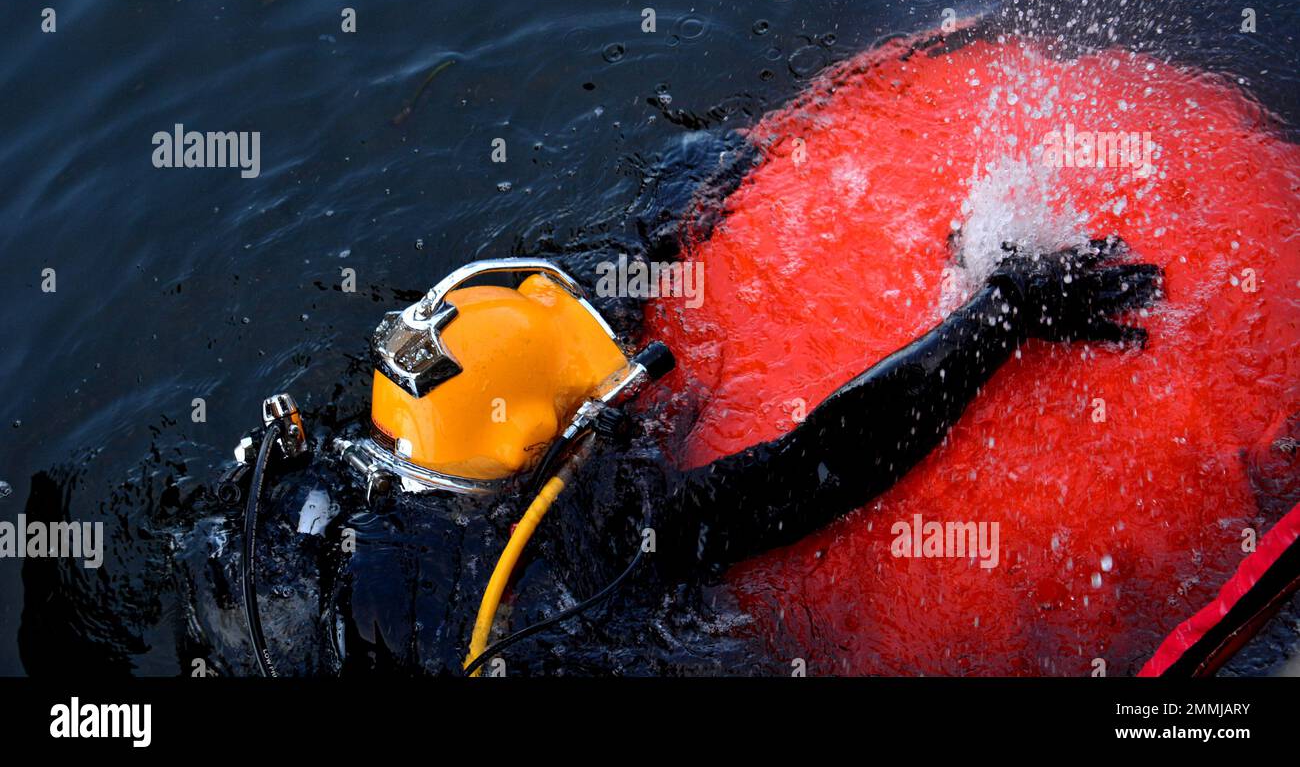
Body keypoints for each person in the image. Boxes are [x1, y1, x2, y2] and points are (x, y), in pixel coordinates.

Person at [178, 233, 1160, 676]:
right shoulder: (567, 552)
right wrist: (1001, 314)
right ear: (540, 446)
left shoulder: (279, 492)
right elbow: (830, 462)